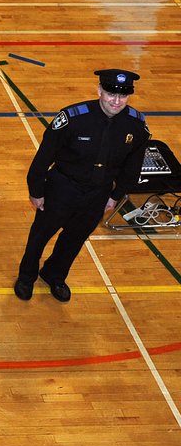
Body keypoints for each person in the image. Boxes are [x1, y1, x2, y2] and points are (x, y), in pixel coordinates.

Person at [15, 69, 150, 302]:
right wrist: (36, 191)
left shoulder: (135, 125)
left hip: (98, 195)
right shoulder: (73, 118)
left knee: (74, 240)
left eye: (123, 96)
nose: (116, 101)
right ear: (99, 90)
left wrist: (116, 195)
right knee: (40, 236)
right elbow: (43, 157)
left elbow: (132, 166)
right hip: (61, 189)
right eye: (110, 94)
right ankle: (26, 277)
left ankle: (54, 275)